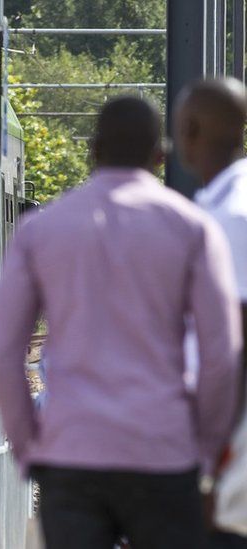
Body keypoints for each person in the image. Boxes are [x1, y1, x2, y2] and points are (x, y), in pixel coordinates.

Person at [0, 96, 243, 549]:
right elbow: (221, 356)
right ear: (159, 156)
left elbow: (4, 354)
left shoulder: (40, 230)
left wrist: (30, 447)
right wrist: (204, 451)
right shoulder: (193, 229)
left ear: (93, 149)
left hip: (70, 456)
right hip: (164, 455)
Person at [175, 78, 247, 548]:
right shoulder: (223, 204)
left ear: (193, 129)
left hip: (233, 458)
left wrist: (209, 469)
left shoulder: (232, 217)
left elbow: (233, 347)